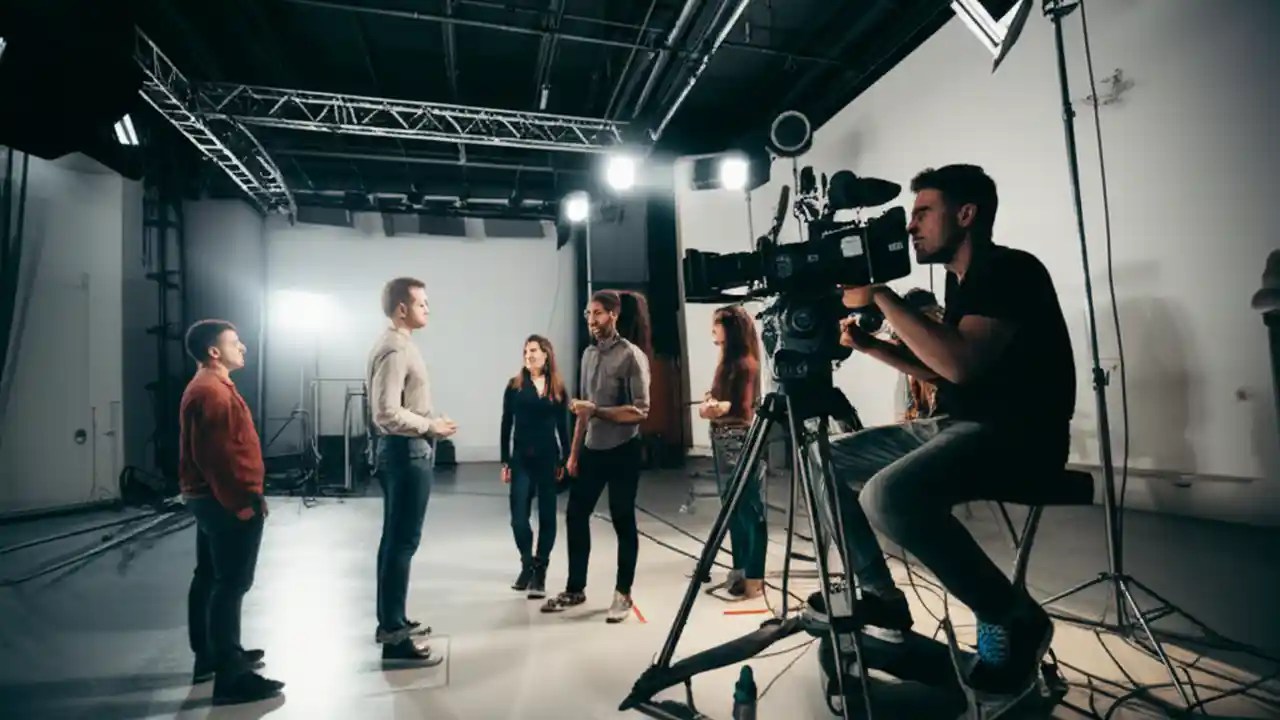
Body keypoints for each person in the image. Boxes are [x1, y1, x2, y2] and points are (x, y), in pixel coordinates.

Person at [821, 164, 1076, 700]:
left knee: (886, 496)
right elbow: (945, 371)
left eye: (922, 213)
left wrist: (881, 297)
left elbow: (961, 365)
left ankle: (1013, 616)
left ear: (966, 214)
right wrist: (873, 347)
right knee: (821, 458)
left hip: (1018, 435)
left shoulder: (1010, 270)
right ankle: (881, 597)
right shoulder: (961, 281)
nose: (911, 227)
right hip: (958, 423)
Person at [181, 319, 283, 704]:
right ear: (213, 351)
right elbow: (218, 459)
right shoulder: (213, 393)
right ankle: (231, 676)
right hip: (226, 502)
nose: (242, 348)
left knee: (209, 576)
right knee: (231, 584)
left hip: (208, 499)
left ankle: (211, 656)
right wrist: (241, 503)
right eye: (234, 343)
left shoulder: (209, 387)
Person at [540, 289, 651, 623]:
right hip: (591, 450)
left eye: (598, 313)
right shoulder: (588, 355)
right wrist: (573, 454)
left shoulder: (632, 356)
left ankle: (623, 594)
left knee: (622, 520)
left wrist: (598, 411)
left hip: (623, 451)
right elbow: (583, 411)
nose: (592, 320)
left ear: (613, 314)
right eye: (588, 314)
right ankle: (576, 588)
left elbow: (640, 412)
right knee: (576, 515)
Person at [366, 277, 458, 665]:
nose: (427, 308)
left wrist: (429, 421)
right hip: (405, 453)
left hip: (405, 450)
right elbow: (385, 412)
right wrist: (429, 426)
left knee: (397, 541)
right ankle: (394, 638)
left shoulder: (397, 344)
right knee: (401, 543)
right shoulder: (395, 348)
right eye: (421, 302)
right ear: (401, 308)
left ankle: (394, 620)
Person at [699, 304, 767, 600]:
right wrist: (710, 405)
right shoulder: (727, 362)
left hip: (737, 440)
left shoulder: (744, 364)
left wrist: (713, 408)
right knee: (734, 510)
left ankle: (754, 576)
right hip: (723, 439)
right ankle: (740, 570)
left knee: (749, 509)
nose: (713, 330)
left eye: (718, 324)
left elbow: (738, 406)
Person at [500, 334, 571, 599]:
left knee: (548, 517)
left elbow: (564, 427)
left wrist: (566, 459)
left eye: (534, 351)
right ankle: (527, 563)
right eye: (526, 351)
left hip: (548, 459)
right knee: (518, 517)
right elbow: (506, 424)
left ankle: (540, 569)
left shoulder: (558, 388)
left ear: (546, 355)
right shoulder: (515, 386)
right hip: (521, 460)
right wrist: (504, 460)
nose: (529, 355)